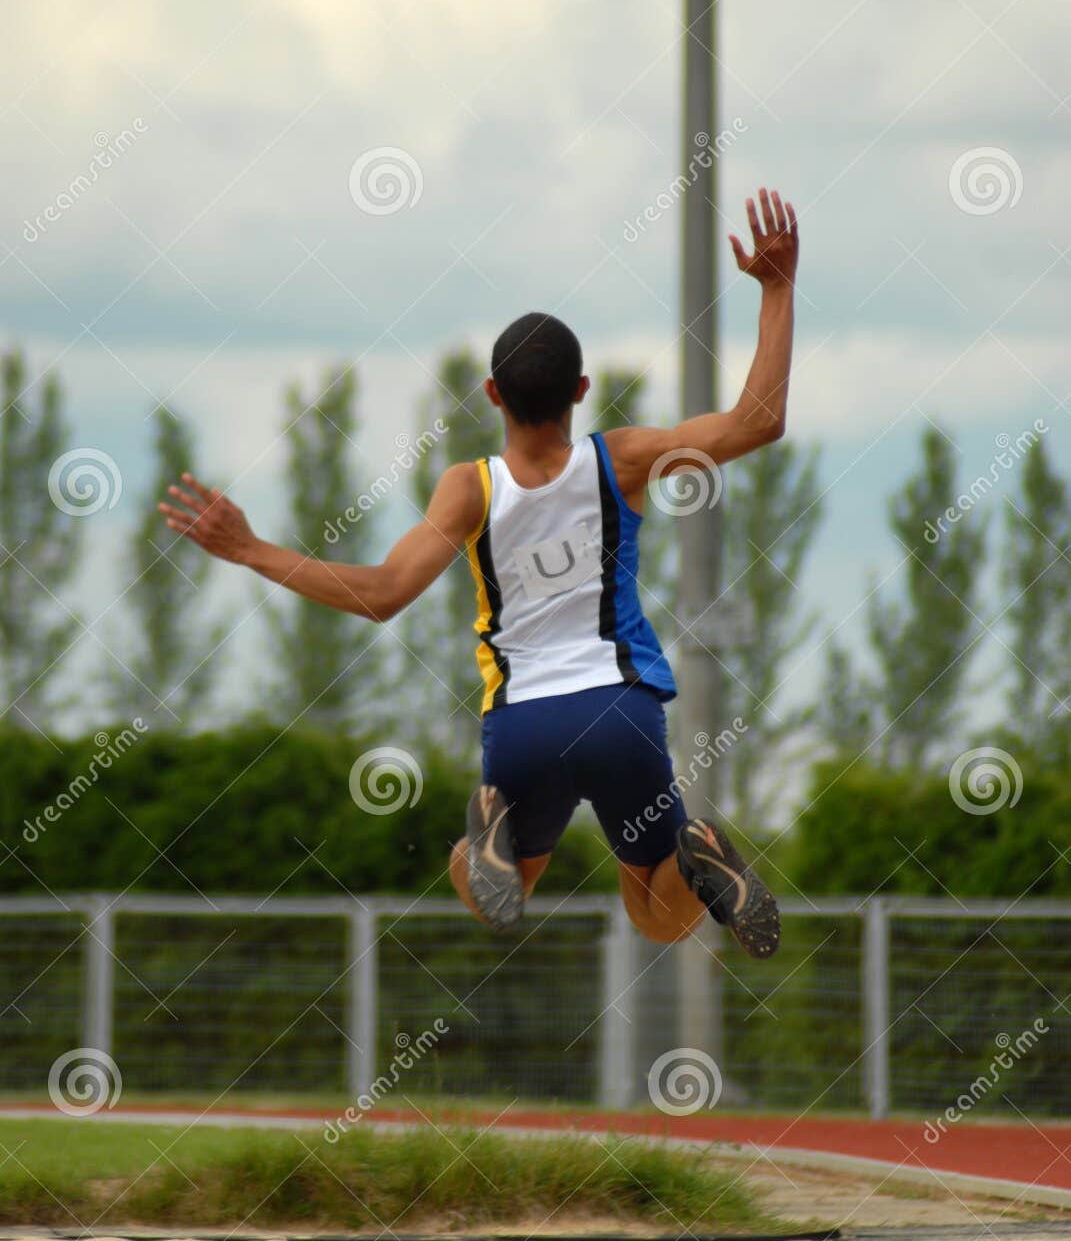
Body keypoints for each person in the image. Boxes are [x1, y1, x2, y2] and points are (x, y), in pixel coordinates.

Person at [160, 188, 798, 958]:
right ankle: (696, 858)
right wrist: (776, 289)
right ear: (580, 393)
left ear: (493, 394)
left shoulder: (469, 488)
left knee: (489, 897)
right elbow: (755, 422)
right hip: (620, 712)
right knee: (660, 917)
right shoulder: (619, 459)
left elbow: (383, 596)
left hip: (523, 725)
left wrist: (251, 549)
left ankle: (486, 842)